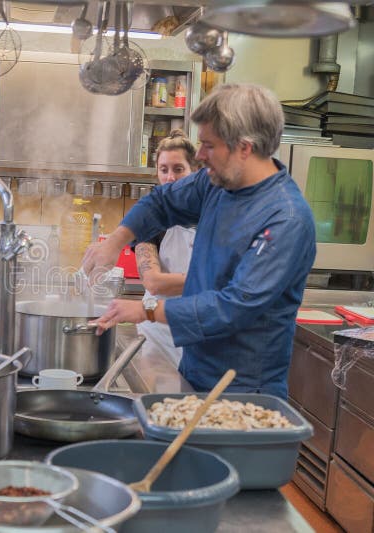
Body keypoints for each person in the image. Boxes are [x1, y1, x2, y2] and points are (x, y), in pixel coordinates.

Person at [83, 83, 316, 399]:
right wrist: (117, 239)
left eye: (209, 145)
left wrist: (147, 310)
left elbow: (234, 306)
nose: (201, 155)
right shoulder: (216, 183)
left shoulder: (285, 219)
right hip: (196, 369)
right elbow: (162, 202)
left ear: (244, 148)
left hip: (244, 389)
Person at [135, 130, 200, 365]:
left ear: (195, 171)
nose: (170, 177)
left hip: (198, 331)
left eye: (178, 169)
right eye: (164, 170)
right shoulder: (150, 219)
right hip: (156, 335)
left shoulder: (212, 215)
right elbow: (153, 283)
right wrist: (208, 280)